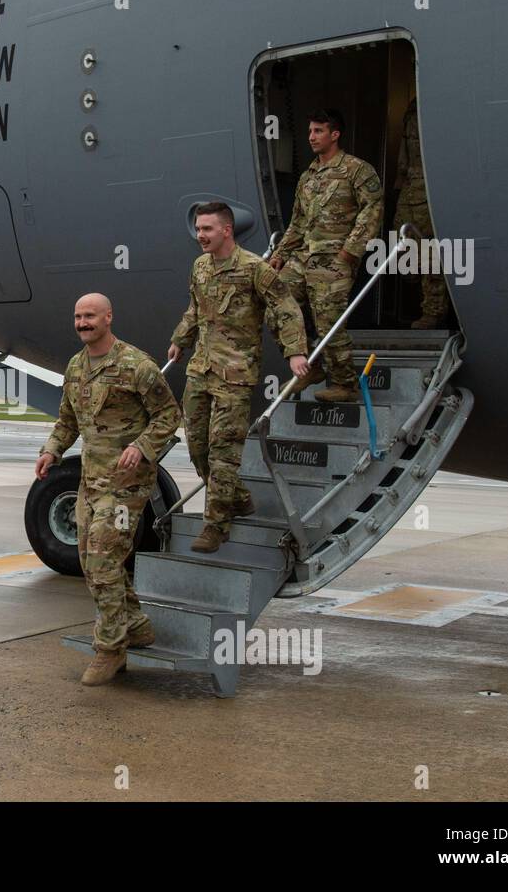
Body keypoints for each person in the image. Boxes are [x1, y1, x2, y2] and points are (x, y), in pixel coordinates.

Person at [36, 293, 181, 686]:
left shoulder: (137, 366)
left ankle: (111, 648)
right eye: (78, 316)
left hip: (127, 485)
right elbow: (67, 419)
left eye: (90, 316)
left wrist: (142, 446)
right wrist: (52, 450)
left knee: (102, 561)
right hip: (91, 481)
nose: (83, 323)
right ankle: (135, 624)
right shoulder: (76, 366)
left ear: (109, 317)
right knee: (91, 562)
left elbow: (170, 415)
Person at [168, 204, 309, 552]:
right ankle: (240, 498)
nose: (200, 235)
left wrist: (295, 351)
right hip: (200, 370)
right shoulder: (200, 266)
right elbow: (195, 308)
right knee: (197, 446)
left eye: (207, 229)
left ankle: (216, 526)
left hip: (235, 374)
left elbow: (285, 306)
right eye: (199, 229)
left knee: (223, 451)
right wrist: (179, 339)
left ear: (226, 230)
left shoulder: (253, 269)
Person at [269, 108, 384, 403]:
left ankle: (345, 384)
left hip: (334, 257)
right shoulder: (308, 176)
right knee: (274, 305)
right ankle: (311, 366)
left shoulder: (357, 170)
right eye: (309, 132)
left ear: (335, 134)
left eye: (318, 131)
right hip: (303, 256)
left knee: (328, 321)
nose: (311, 137)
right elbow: (297, 221)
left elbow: (372, 210)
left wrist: (349, 252)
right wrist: (281, 253)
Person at [393, 98, 449, 329]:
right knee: (399, 245)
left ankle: (433, 311)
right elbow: (405, 151)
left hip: (431, 186)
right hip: (409, 186)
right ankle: (414, 278)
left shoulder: (443, 112)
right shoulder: (412, 111)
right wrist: (399, 182)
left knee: (430, 254)